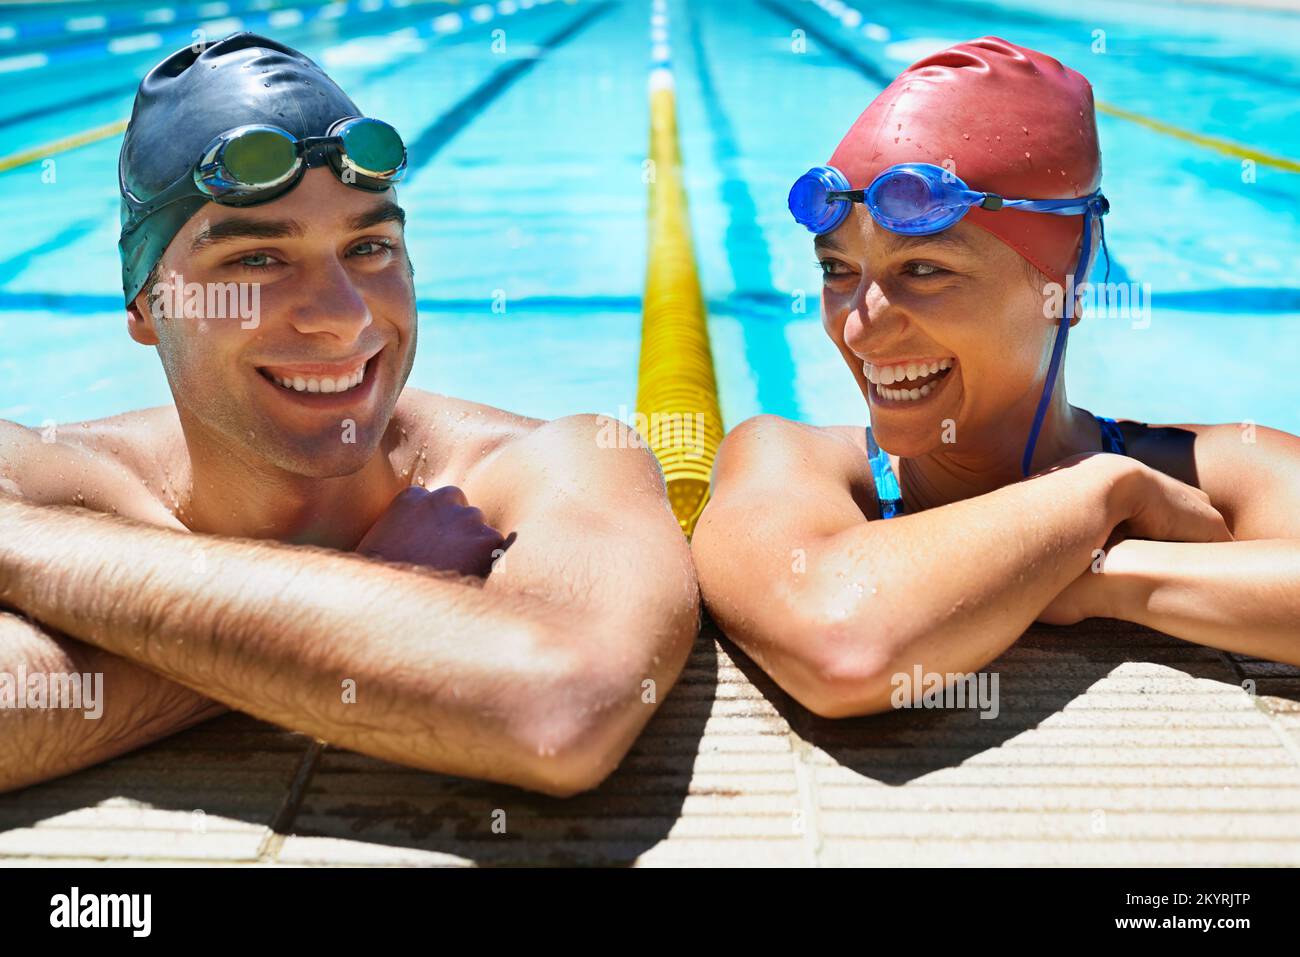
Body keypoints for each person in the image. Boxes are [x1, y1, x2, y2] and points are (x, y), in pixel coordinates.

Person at [0, 33, 698, 796]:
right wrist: (379, 585)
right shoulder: (46, 474)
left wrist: (27, 552)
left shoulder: (543, 468)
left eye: (369, 246)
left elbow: (560, 709)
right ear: (145, 303)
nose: (341, 317)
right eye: (255, 259)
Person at [691, 37, 1300, 718]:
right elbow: (842, 647)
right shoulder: (792, 460)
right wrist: (1099, 495)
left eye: (923, 270)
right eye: (838, 271)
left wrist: (1106, 578)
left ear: (1069, 277)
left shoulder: (1218, 467)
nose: (859, 328)